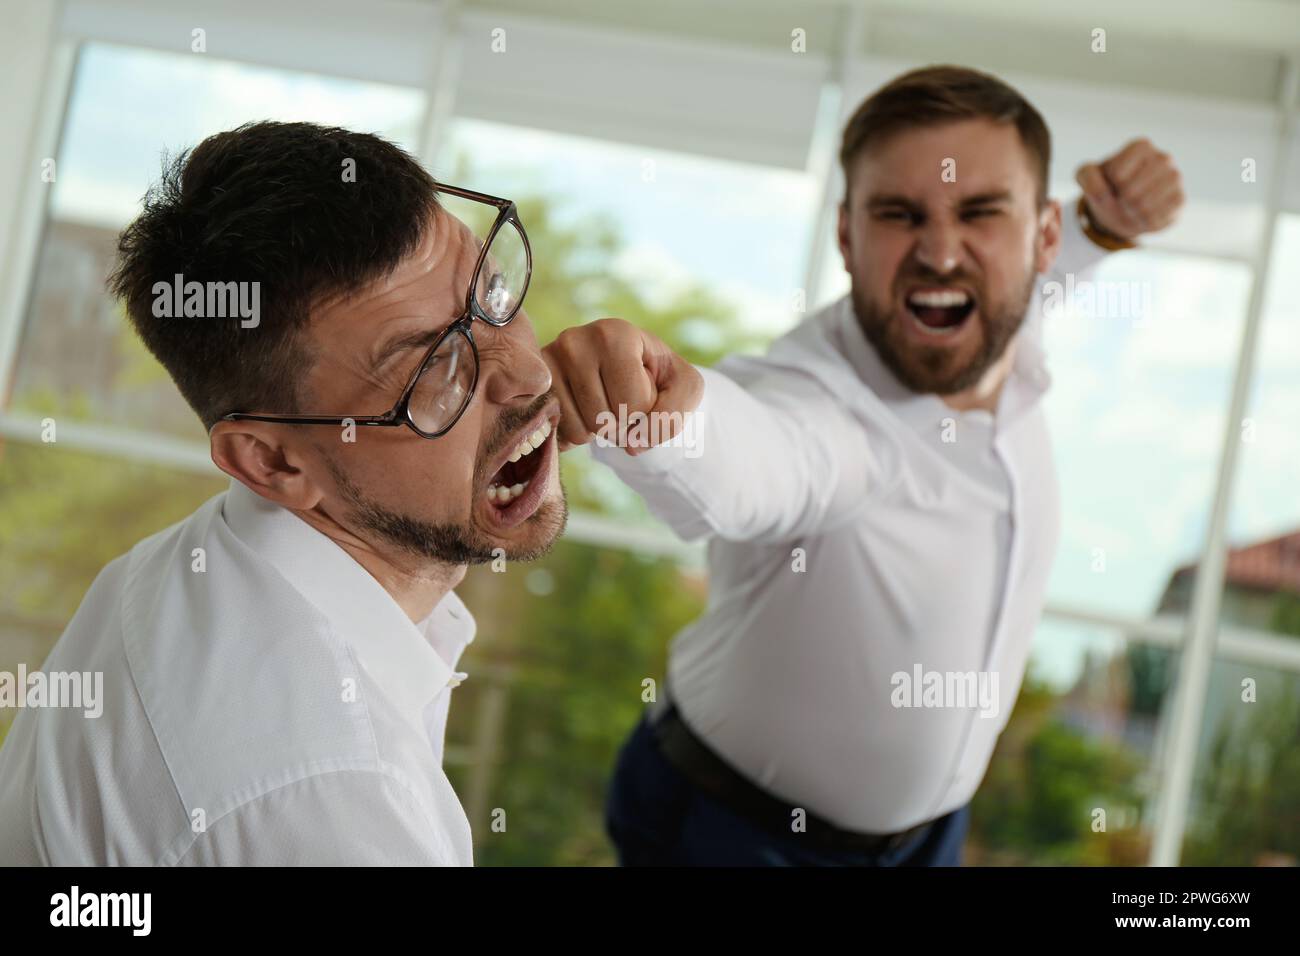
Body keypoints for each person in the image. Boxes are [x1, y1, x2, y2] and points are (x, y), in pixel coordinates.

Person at [541, 65, 1185, 866]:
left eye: (981, 211)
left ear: (1043, 235)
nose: (942, 253)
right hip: (736, 836)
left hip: (929, 842)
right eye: (899, 214)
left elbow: (1030, 284)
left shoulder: (1000, 324)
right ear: (847, 236)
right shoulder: (822, 403)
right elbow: (762, 455)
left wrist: (1104, 225)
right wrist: (663, 412)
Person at [0, 121, 566, 864]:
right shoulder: (329, 799)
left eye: (492, 293)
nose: (531, 372)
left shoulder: (201, 564)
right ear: (269, 462)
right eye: (432, 368)